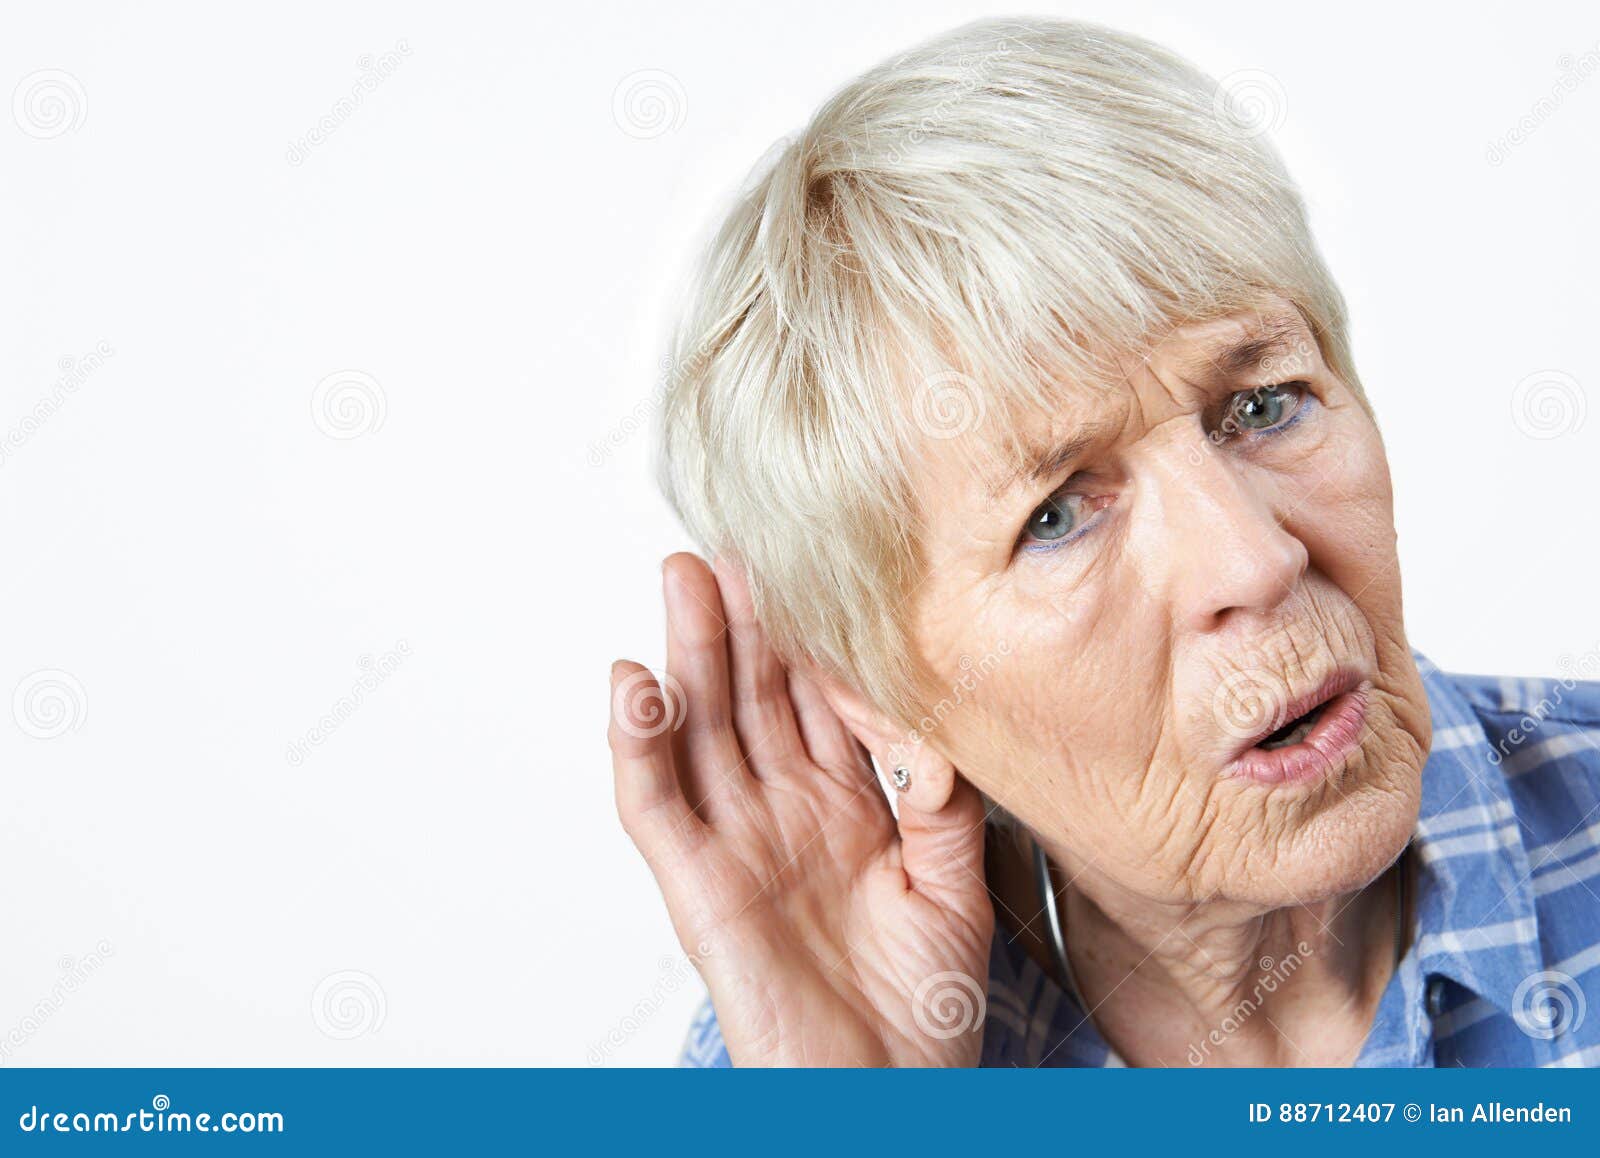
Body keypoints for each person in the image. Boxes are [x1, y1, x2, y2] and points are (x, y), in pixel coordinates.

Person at [606, 17, 1600, 1067]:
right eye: (1055, 516)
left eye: (1263, 405)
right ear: (879, 702)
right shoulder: (792, 1066)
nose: (1256, 563)